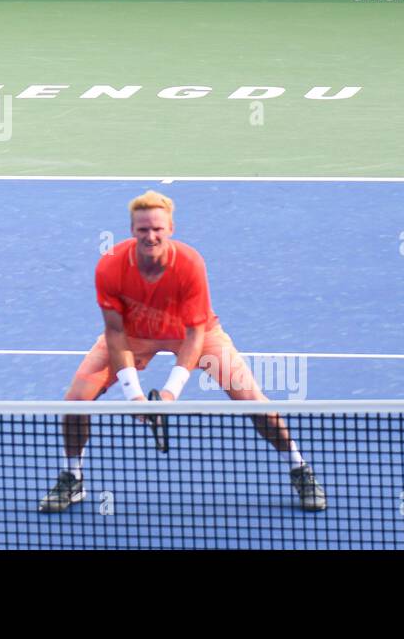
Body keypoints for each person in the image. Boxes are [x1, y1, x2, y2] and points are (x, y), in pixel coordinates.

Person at [39, 190, 327, 513]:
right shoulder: (110, 266)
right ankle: (72, 477)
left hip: (193, 334)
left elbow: (194, 334)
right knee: (75, 401)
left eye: (157, 229)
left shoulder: (189, 264)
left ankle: (299, 467)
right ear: (132, 230)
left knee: (254, 402)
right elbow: (116, 332)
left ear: (171, 228)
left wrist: (170, 394)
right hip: (133, 335)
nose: (150, 236)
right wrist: (134, 395)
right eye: (143, 229)